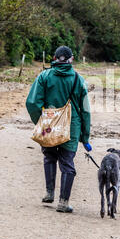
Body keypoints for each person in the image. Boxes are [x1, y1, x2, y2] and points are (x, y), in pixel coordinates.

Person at [26, 46, 92, 213]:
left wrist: (40, 122)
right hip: (71, 127)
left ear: (55, 58)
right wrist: (85, 137)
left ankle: (49, 193)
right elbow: (85, 111)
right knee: (67, 163)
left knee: (49, 156)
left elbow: (32, 103)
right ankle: (63, 202)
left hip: (48, 126)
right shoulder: (79, 80)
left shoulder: (44, 76)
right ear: (71, 60)